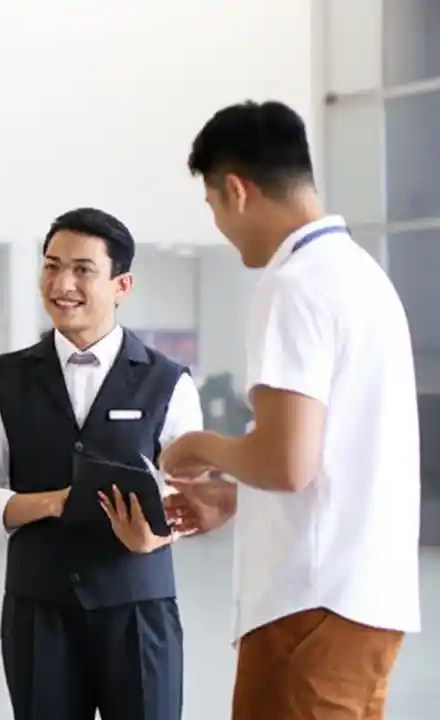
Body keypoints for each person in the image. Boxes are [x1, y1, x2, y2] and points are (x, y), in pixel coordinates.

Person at [158, 100, 421, 720]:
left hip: (309, 608)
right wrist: (233, 494)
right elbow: (331, 459)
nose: (221, 225)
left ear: (237, 190)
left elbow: (286, 462)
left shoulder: (293, 285)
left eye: (214, 206)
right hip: (365, 602)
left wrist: (197, 446)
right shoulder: (362, 277)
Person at [0, 207, 203, 720]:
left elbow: (189, 496)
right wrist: (51, 503)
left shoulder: (168, 382)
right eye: (51, 266)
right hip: (37, 611)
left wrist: (159, 535)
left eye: (83, 270)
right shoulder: (6, 379)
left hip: (138, 609)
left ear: (121, 284)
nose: (62, 283)